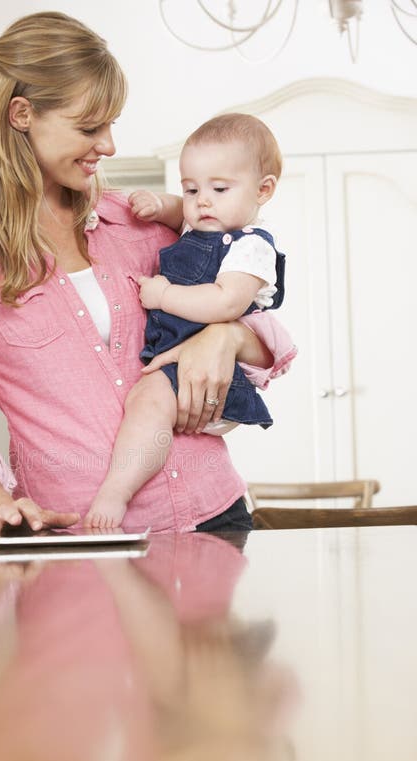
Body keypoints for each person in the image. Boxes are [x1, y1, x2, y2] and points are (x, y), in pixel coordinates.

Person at [0, 11, 296, 542]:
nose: (109, 145)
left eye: (112, 124)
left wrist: (226, 336)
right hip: (79, 533)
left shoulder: (142, 223)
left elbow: (261, 338)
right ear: (21, 115)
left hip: (215, 514)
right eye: (90, 127)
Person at [85, 114, 287, 527]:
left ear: (263, 190)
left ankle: (115, 493)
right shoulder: (200, 222)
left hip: (212, 377)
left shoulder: (251, 246)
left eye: (219, 188)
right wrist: (162, 205)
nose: (202, 201)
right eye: (191, 188)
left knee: (147, 403)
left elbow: (225, 302)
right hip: (184, 360)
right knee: (145, 403)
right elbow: (183, 214)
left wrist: (163, 295)